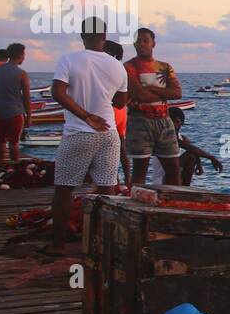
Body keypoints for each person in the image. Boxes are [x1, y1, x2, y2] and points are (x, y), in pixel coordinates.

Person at [45, 18, 128, 256]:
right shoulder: (117, 66)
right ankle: (104, 244)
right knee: (107, 189)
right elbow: (121, 102)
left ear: (82, 35)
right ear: (104, 35)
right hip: (109, 133)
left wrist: (85, 115)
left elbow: (57, 92)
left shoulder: (69, 60)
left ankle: (59, 245)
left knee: (64, 189)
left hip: (79, 132)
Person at [124, 27, 182, 186]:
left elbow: (177, 93)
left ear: (153, 43)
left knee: (173, 168)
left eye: (145, 41)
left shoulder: (165, 67)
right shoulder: (128, 67)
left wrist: (151, 89)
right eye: (138, 41)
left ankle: (171, 202)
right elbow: (139, 95)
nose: (142, 44)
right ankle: (135, 204)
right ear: (134, 45)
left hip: (164, 120)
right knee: (140, 170)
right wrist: (164, 92)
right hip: (139, 121)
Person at [0, 43, 31, 166]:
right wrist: (29, 115)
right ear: (20, 55)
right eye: (24, 54)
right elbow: (26, 96)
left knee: (0, 140)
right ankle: (15, 167)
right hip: (14, 111)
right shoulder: (21, 73)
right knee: (14, 142)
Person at [102, 40, 132, 185]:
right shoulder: (120, 69)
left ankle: (113, 181)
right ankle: (127, 180)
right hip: (122, 112)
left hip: (111, 111)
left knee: (106, 150)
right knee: (121, 148)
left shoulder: (105, 68)